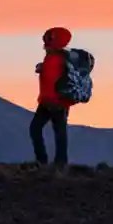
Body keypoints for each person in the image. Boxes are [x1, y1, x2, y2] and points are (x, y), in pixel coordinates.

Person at [31, 27, 74, 166]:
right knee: (57, 132)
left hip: (55, 102)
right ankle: (58, 163)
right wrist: (42, 67)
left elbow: (53, 77)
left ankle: (48, 162)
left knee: (43, 130)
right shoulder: (55, 58)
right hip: (51, 102)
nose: (44, 44)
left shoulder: (59, 59)